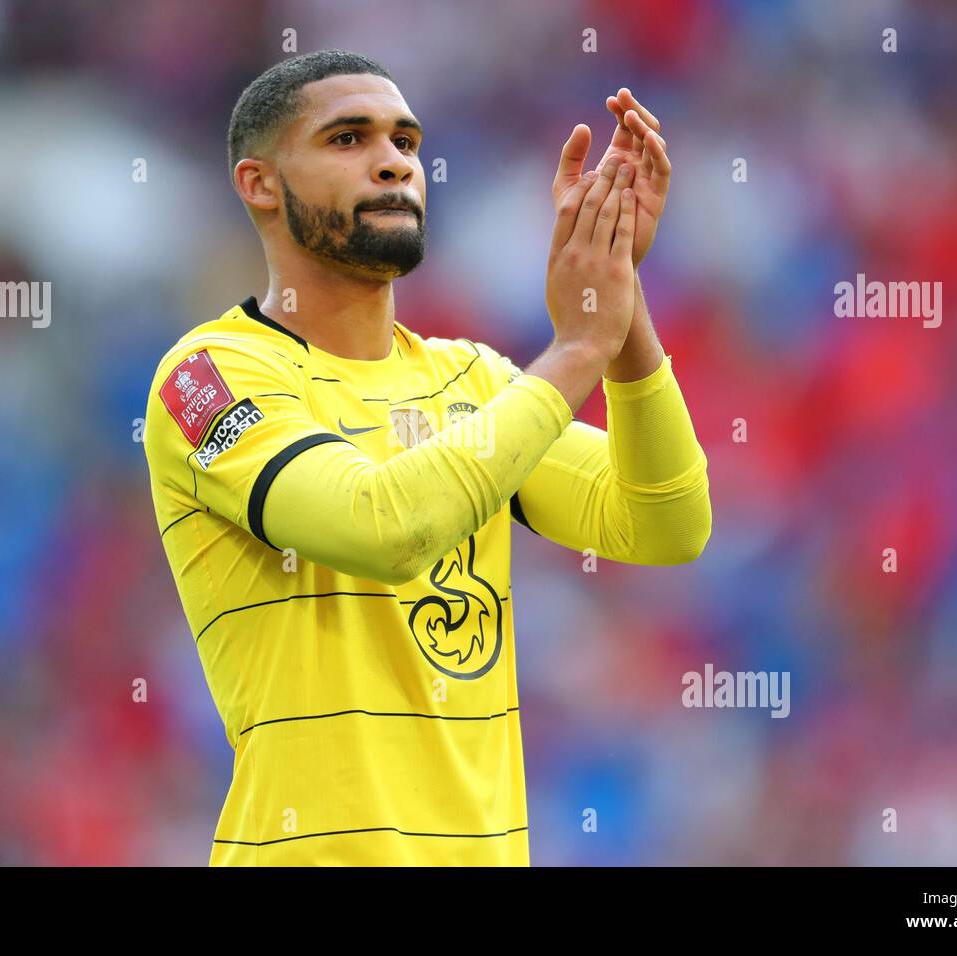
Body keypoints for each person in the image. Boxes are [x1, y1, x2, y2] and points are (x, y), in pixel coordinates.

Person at [142, 49, 711, 866]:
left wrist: (615, 299)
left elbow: (667, 523)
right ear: (259, 183)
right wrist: (582, 343)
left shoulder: (472, 381)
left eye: (406, 142)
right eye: (347, 139)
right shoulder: (211, 375)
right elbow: (380, 524)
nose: (393, 161)